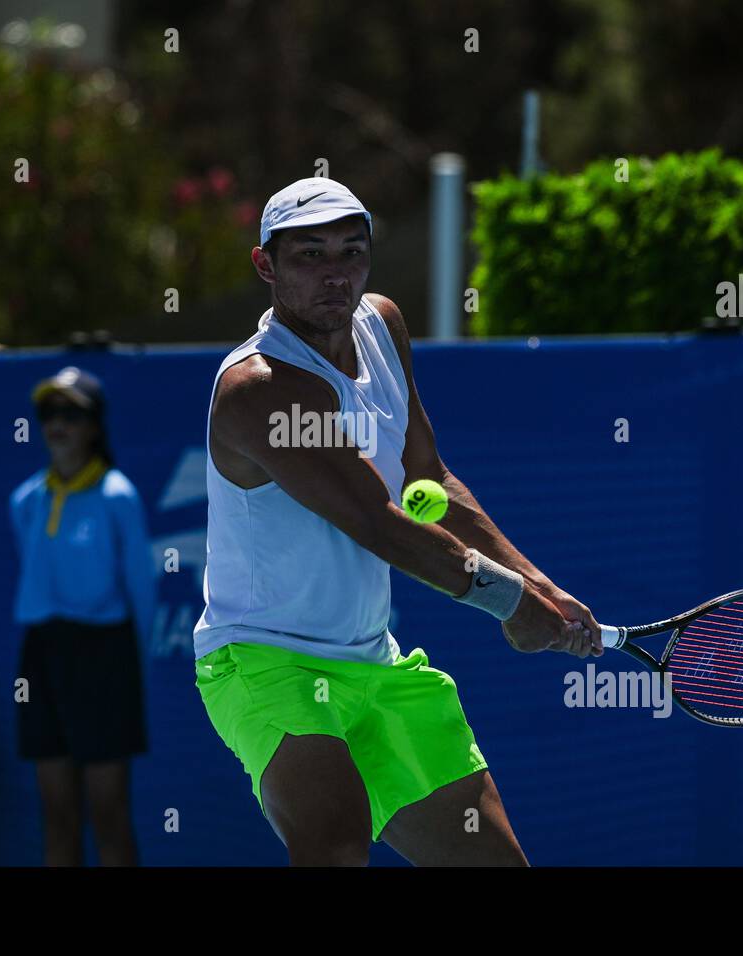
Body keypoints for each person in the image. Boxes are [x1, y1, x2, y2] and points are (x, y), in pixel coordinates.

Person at [193, 178, 603, 866]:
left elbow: (430, 480)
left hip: (373, 661)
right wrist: (509, 602)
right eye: (310, 255)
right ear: (266, 266)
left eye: (352, 252)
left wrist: (539, 584)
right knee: (336, 849)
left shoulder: (381, 323)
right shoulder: (260, 389)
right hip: (264, 661)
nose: (336, 274)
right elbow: (379, 523)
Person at [10, 366, 156, 866]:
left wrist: (133, 669)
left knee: (109, 812)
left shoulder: (119, 496)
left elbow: (141, 589)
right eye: (49, 413)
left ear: (94, 426)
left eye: (71, 414)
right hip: (41, 656)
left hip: (104, 657)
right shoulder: (25, 500)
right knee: (56, 813)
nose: (58, 425)